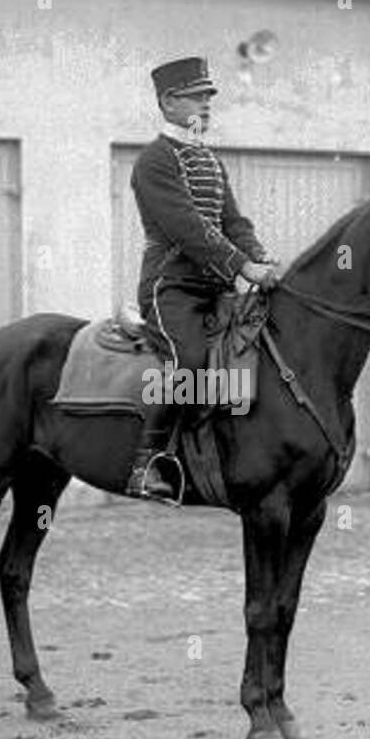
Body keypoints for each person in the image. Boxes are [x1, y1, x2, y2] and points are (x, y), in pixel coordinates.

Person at [127, 56, 281, 501]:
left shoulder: (209, 159)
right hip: (171, 287)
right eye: (198, 96)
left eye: (210, 96)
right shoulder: (154, 161)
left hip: (215, 288)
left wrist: (261, 258)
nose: (207, 105)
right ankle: (147, 465)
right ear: (168, 102)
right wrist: (242, 267)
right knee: (191, 363)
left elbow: (234, 222)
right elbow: (188, 228)